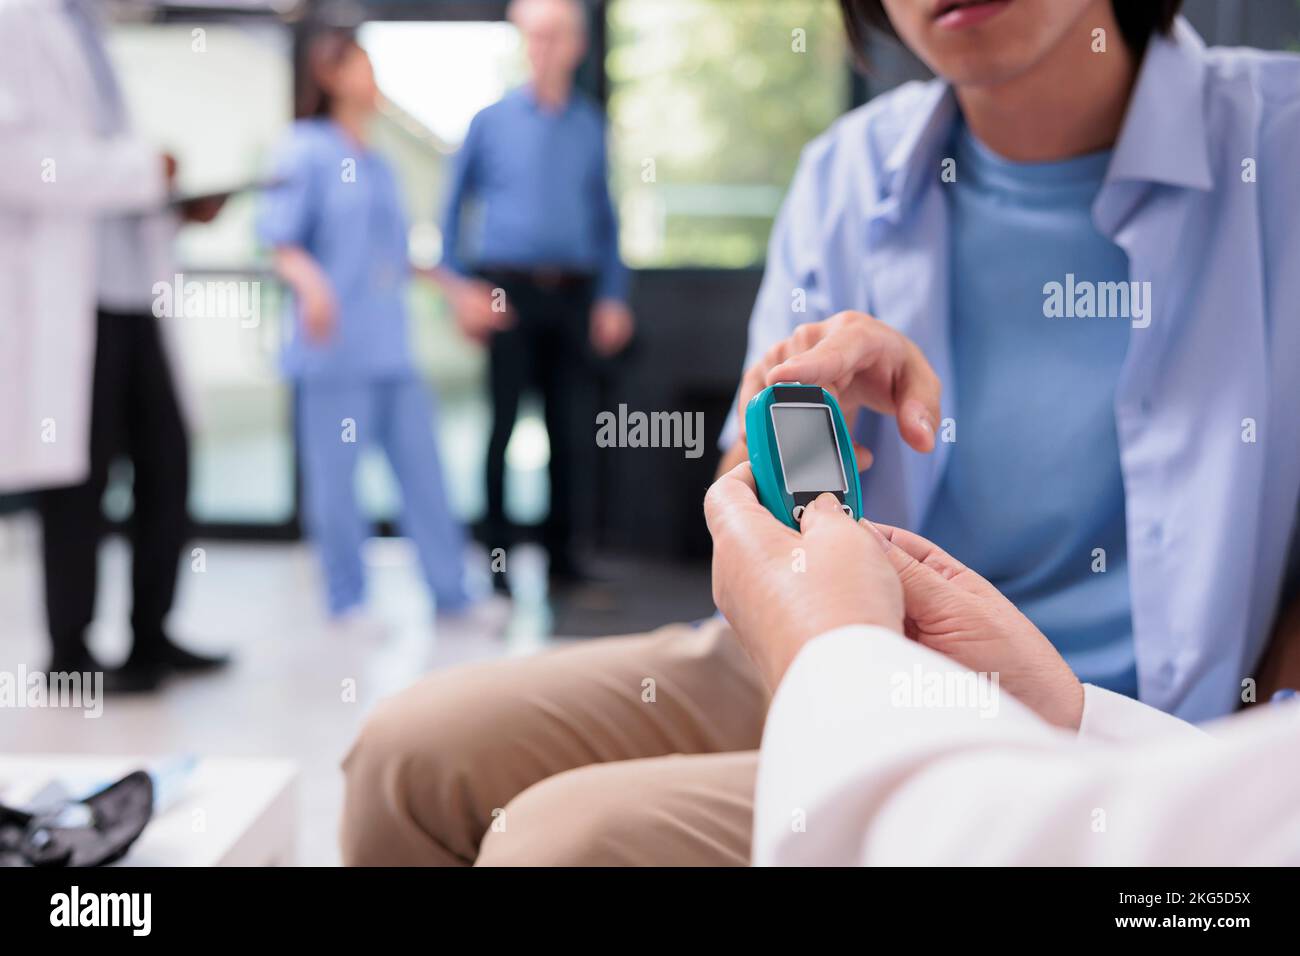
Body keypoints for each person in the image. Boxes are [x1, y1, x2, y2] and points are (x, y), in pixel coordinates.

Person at [340, 0, 1300, 866]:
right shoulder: (848, 169)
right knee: (404, 753)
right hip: (822, 645)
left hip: (1108, 716)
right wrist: (779, 409)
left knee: (558, 842)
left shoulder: (1281, 146)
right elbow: (743, 500)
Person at [703, 463, 1299, 865]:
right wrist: (1067, 711)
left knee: (608, 827)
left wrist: (832, 646)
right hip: (896, 684)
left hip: (861, 688)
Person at [0, 0, 229, 694]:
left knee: (168, 461)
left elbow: (107, 163)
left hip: (134, 288)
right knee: (78, 481)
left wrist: (170, 197)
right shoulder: (16, 20)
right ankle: (70, 655)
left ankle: (150, 635)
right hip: (70, 298)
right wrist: (140, 170)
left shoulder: (86, 27)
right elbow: (19, 166)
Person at [259, 30, 477, 631]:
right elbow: (279, 240)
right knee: (336, 483)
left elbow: (395, 253)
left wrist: (457, 291)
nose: (373, 79)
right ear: (330, 75)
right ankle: (347, 599)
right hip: (333, 349)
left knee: (424, 473)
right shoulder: (303, 149)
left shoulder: (378, 161)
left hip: (390, 347)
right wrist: (313, 285)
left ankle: (453, 593)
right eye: (363, 66)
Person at [435, 0, 633, 590]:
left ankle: (561, 561)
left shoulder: (589, 126)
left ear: (576, 45)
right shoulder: (489, 123)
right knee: (500, 428)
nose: (543, 48)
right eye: (534, 37)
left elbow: (607, 222)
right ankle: (495, 562)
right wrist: (460, 291)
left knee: (568, 430)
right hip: (505, 292)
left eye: (554, 37)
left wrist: (613, 296)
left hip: (573, 294)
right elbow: (449, 216)